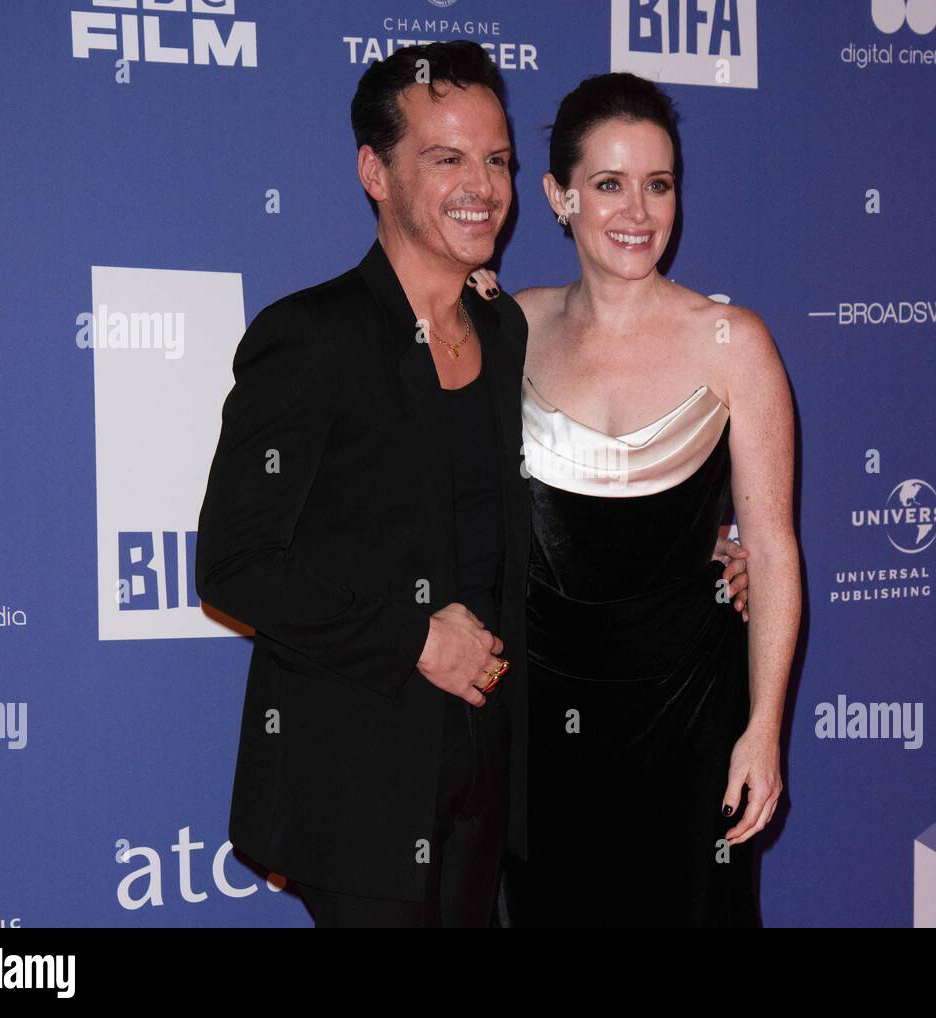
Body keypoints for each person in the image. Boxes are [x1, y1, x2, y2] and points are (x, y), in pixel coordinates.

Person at [195, 43, 751, 928]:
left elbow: (571, 507)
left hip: (494, 786)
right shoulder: (310, 337)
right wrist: (413, 638)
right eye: (445, 158)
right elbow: (233, 567)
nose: (480, 186)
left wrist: (709, 555)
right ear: (374, 171)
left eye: (495, 161)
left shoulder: (504, 334)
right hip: (361, 791)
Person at [471, 72, 801, 927]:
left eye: (659, 184)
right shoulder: (509, 327)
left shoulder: (735, 344)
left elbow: (770, 548)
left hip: (689, 713)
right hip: (539, 718)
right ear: (558, 195)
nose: (638, 212)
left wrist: (763, 730)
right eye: (609, 184)